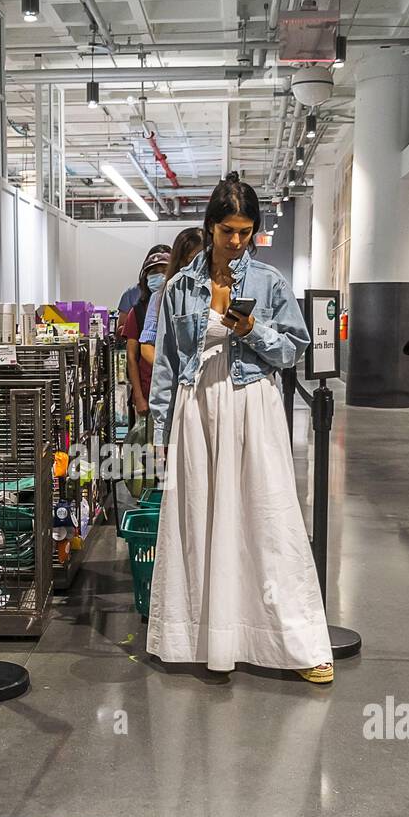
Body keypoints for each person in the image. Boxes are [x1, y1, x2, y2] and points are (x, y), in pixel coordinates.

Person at [146, 173, 334, 685]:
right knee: (197, 516)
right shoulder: (180, 286)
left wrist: (251, 329)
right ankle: (199, 637)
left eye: (245, 231)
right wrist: (160, 433)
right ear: (210, 228)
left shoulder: (270, 284)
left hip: (253, 406)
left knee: (269, 519)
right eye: (228, 230)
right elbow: (166, 363)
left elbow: (293, 348)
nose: (236, 241)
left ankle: (295, 641)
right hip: (197, 408)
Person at [139, 227, 205, 371]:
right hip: (183, 382)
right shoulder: (162, 295)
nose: (198, 266)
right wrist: (170, 371)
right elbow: (146, 345)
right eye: (191, 260)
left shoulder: (222, 291)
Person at [120, 245, 172, 419]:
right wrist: (139, 396)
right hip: (148, 389)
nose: (159, 276)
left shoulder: (178, 306)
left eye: (163, 270)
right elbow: (132, 357)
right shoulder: (138, 311)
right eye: (153, 272)